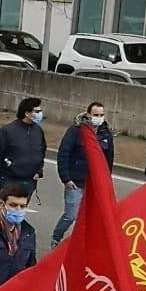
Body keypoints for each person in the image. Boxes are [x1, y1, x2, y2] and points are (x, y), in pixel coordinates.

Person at [51, 101, 114, 247]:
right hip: (75, 181)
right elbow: (63, 154)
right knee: (71, 215)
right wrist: (66, 178)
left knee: (90, 217)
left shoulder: (106, 134)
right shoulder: (76, 131)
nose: (99, 117)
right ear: (88, 115)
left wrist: (106, 181)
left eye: (101, 115)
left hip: (94, 183)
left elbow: (108, 160)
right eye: (95, 115)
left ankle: (83, 244)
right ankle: (56, 237)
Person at [0, 97, 47, 197]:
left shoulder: (38, 131)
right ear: (27, 113)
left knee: (21, 211)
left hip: (29, 181)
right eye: (37, 111)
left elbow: (42, 152)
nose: (40, 114)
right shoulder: (7, 131)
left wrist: (39, 171)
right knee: (9, 210)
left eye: (40, 111)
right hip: (9, 180)